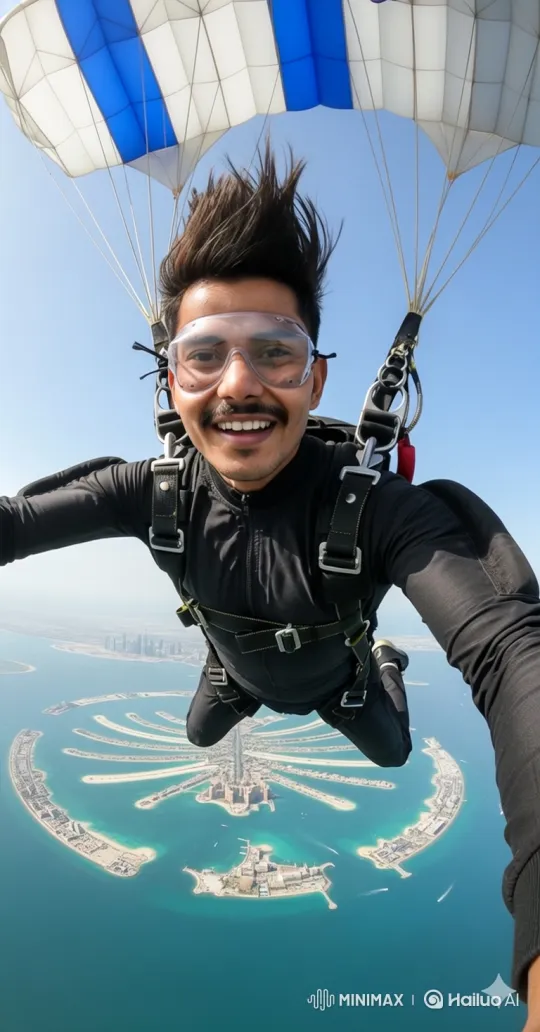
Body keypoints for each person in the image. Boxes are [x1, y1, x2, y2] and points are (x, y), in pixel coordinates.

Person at [2, 147, 540, 1018]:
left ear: (315, 377)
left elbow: (511, 650)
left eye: (275, 352)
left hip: (339, 684)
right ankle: (229, 663)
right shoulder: (151, 493)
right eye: (203, 354)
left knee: (395, 752)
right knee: (199, 734)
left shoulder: (379, 512)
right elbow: (15, 524)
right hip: (238, 673)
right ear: (171, 379)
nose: (240, 384)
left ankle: (383, 665)